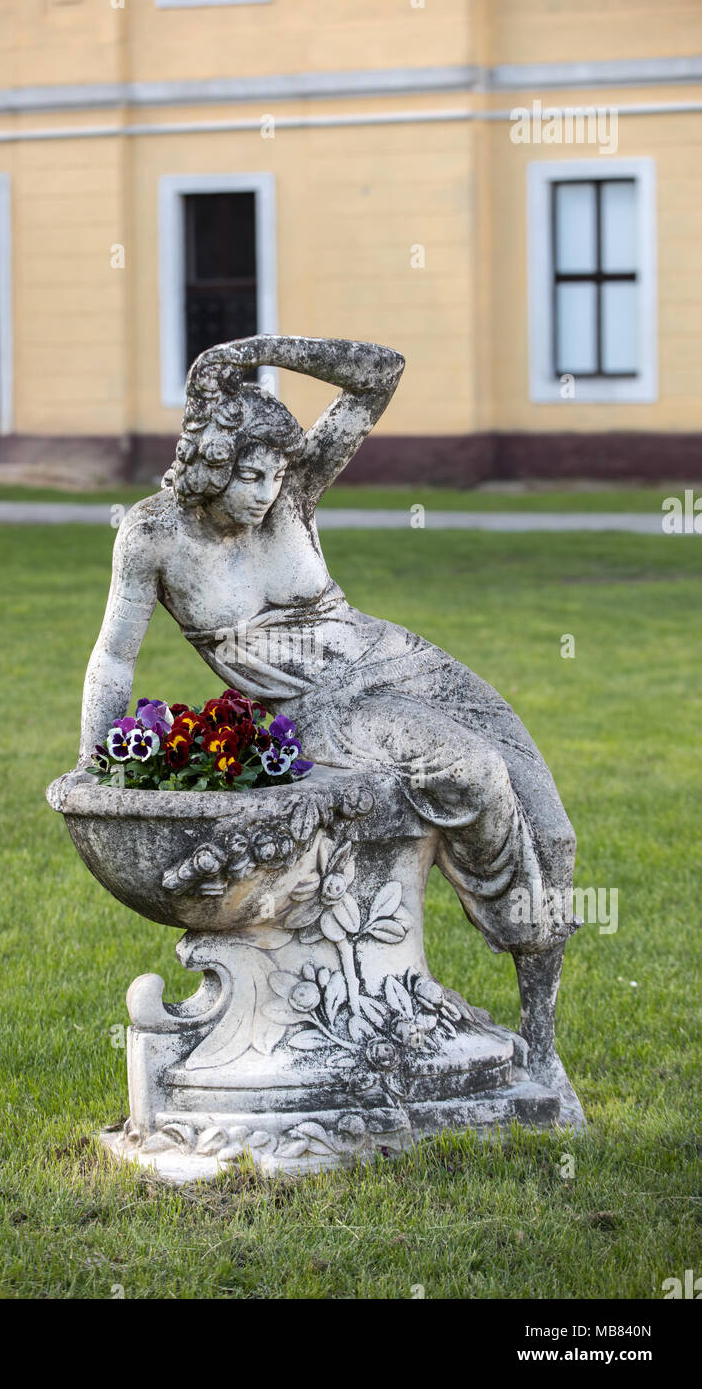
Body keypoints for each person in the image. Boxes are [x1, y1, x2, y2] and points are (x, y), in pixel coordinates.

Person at [74, 335, 583, 1124]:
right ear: (211, 461)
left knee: (551, 824)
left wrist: (252, 350)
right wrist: (99, 757)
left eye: (275, 473)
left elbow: (380, 374)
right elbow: (113, 660)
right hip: (322, 708)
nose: (264, 491)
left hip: (400, 660)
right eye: (248, 473)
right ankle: (455, 1015)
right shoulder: (154, 537)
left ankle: (540, 1045)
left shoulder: (291, 496)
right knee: (477, 772)